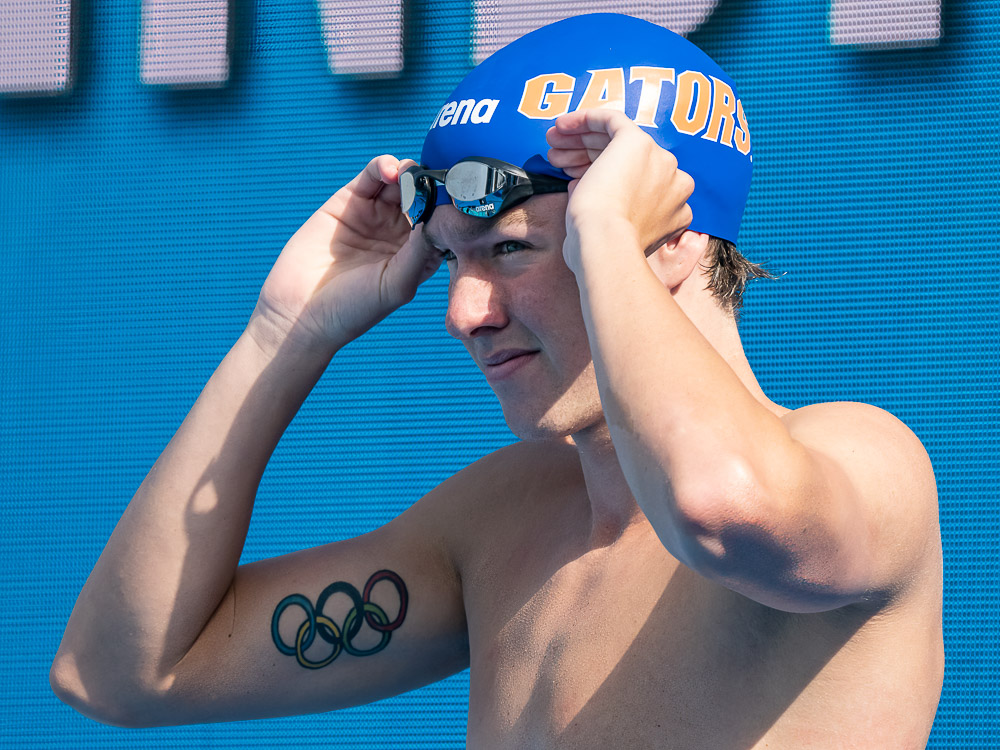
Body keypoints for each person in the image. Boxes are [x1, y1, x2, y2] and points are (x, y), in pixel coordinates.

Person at [50, 13, 943, 747]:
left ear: (670, 238)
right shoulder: (499, 526)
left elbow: (717, 509)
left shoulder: (864, 464)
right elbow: (122, 674)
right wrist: (281, 336)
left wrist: (602, 241)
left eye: (510, 250)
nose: (462, 311)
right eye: (448, 260)